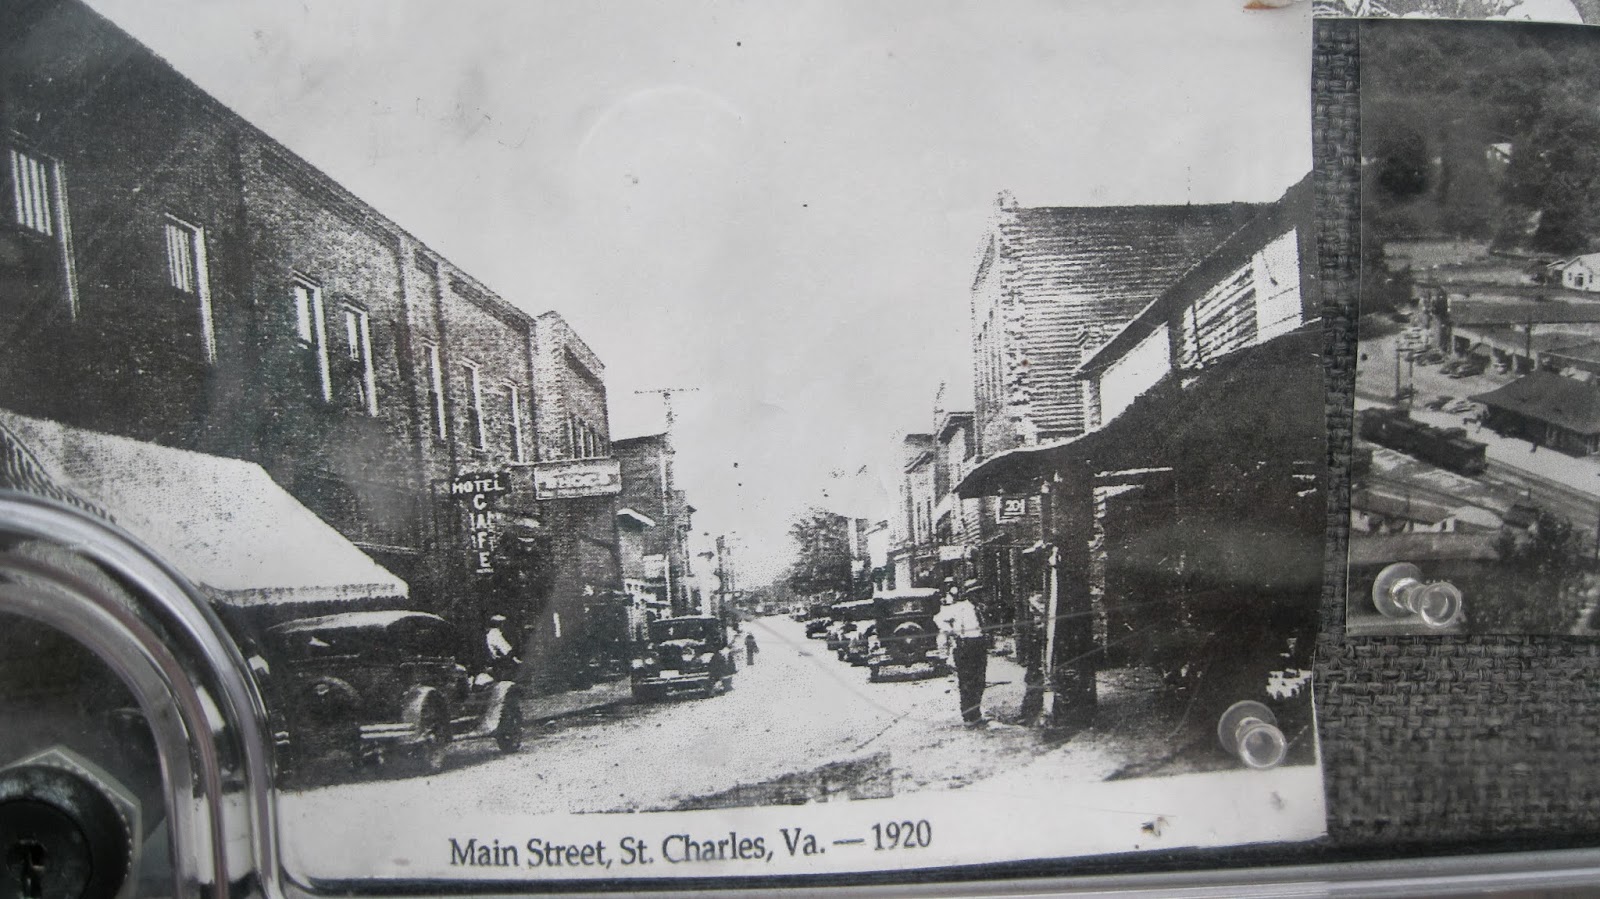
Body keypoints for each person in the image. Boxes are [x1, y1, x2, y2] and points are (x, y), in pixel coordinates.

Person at [939, 580, 988, 726]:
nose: (980, 596)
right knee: (967, 682)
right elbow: (941, 621)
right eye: (977, 593)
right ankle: (968, 716)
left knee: (979, 681)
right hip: (965, 645)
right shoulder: (959, 608)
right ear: (970, 595)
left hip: (979, 645)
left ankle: (976, 714)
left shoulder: (979, 608)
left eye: (980, 593)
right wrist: (954, 633)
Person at [485, 614, 520, 682]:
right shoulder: (495, 633)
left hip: (498, 663)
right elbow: (505, 649)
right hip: (502, 665)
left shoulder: (490, 633)